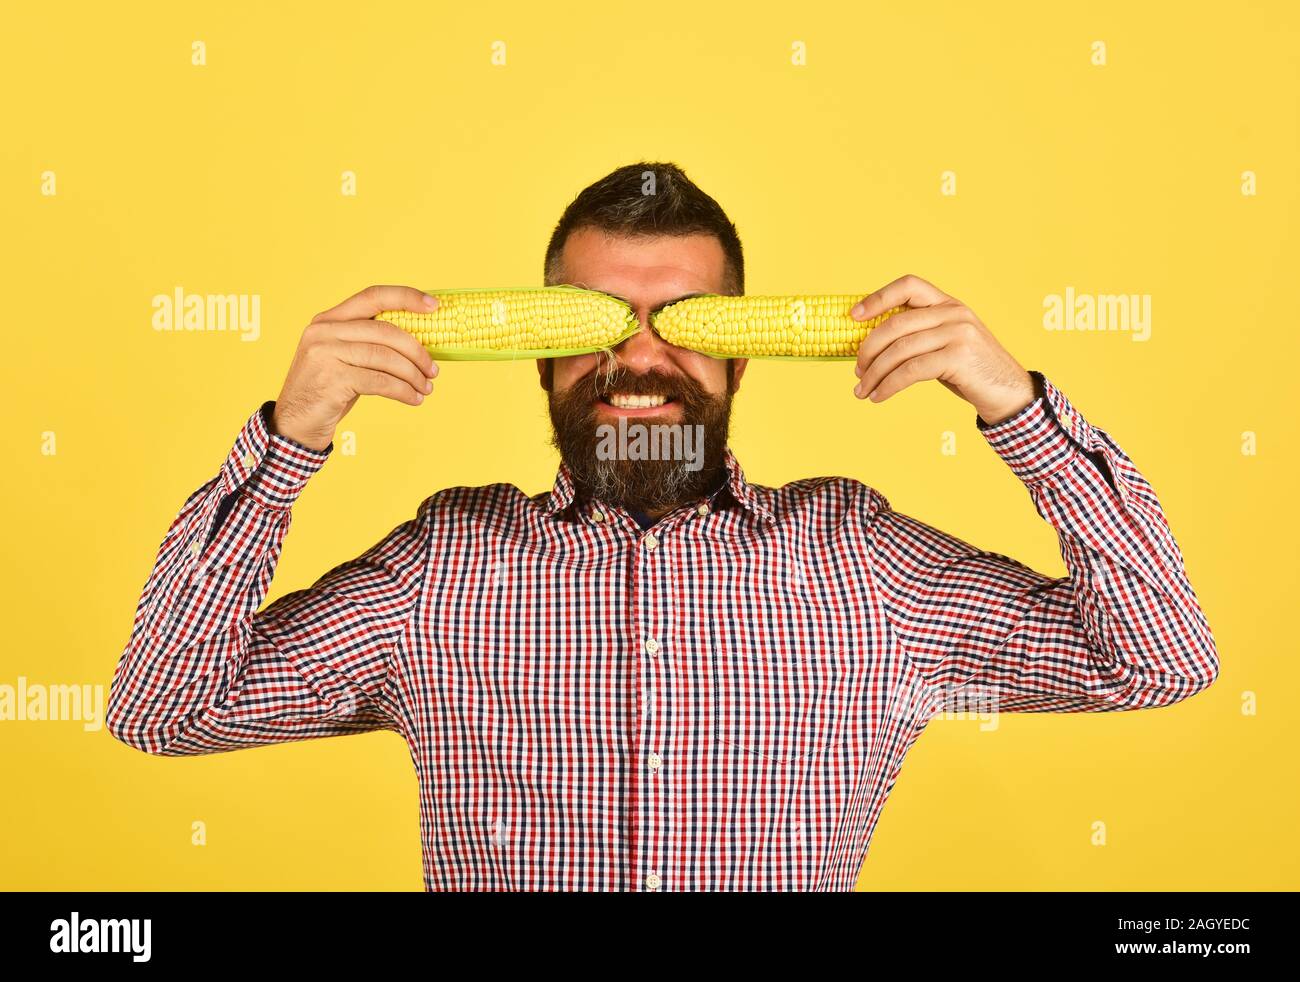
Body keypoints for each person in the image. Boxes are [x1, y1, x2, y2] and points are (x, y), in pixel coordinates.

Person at [106, 161, 1219, 891]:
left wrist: (1016, 405)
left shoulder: (863, 564)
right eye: (597, 321)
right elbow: (164, 710)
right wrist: (289, 438)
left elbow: (1158, 661)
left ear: (741, 354)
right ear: (538, 355)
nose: (638, 360)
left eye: (681, 321)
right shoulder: (439, 568)